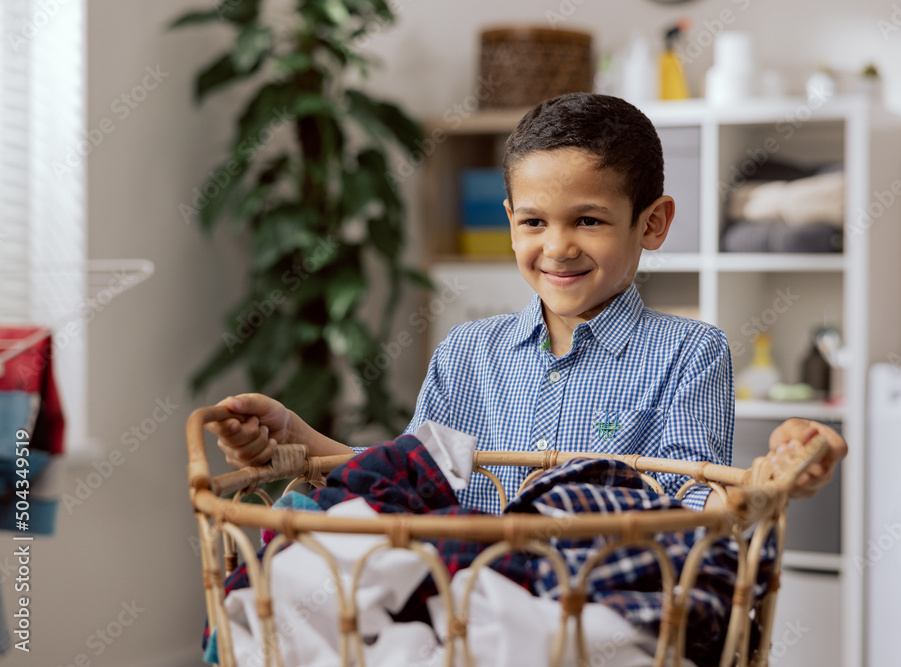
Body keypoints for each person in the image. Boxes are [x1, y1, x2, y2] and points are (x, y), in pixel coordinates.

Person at [206, 93, 846, 513]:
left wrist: (768, 480)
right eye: (534, 222)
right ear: (510, 221)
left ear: (651, 224)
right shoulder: (468, 351)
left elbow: (691, 499)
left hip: (595, 608)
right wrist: (296, 439)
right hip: (466, 610)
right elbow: (411, 483)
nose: (557, 247)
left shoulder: (688, 352)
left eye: (589, 220)